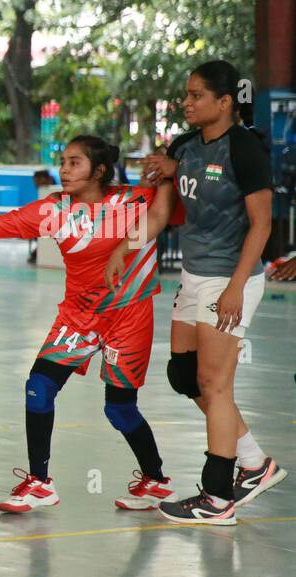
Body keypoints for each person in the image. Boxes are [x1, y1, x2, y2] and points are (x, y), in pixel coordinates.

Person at [0, 135, 175, 514]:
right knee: (38, 388)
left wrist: (172, 170)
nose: (64, 170)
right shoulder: (53, 210)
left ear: (99, 170)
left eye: (75, 163)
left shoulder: (136, 200)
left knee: (119, 409)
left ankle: (155, 480)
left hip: (128, 315)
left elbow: (174, 207)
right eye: (63, 162)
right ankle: (39, 482)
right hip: (79, 316)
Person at [120, 60, 286, 525]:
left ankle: (217, 497)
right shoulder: (185, 147)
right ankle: (255, 463)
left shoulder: (246, 149)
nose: (187, 102)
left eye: (196, 96)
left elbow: (262, 224)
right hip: (193, 275)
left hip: (230, 278)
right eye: (186, 95)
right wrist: (126, 248)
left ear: (225, 102)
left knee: (215, 384)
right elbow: (159, 213)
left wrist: (235, 287)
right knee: (185, 376)